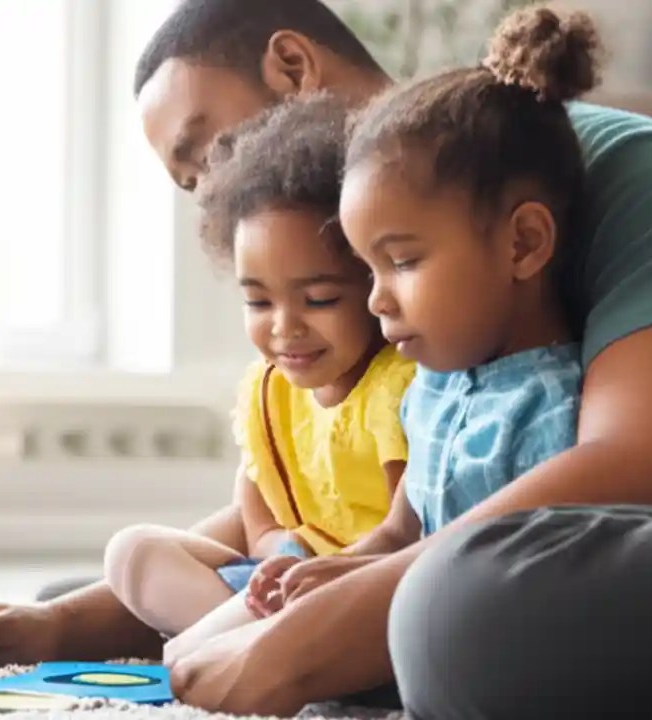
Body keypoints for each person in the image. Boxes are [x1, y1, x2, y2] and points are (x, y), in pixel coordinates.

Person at [0, 2, 652, 716]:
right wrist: (64, 626)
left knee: (448, 605)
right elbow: (301, 527)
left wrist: (349, 607)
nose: (218, 195)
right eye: (192, 183)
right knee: (154, 584)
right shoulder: (389, 292)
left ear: (292, 67)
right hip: (501, 557)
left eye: (206, 148)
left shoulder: (607, 166)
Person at [248, 10, 591, 619]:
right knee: (200, 653)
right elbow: (397, 535)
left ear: (523, 244)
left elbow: (525, 591)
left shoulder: (552, 415)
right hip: (411, 608)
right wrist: (336, 569)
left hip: (475, 627)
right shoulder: (431, 390)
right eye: (368, 270)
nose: (376, 299)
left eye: (401, 262)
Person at [104, 94, 414, 665]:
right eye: (257, 301)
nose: (285, 328)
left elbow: (407, 535)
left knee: (184, 661)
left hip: (358, 590)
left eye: (319, 299)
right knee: (132, 552)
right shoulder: (267, 390)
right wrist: (279, 559)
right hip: (285, 583)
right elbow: (257, 517)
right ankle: (262, 642)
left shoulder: (394, 388)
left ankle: (272, 650)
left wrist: (311, 576)